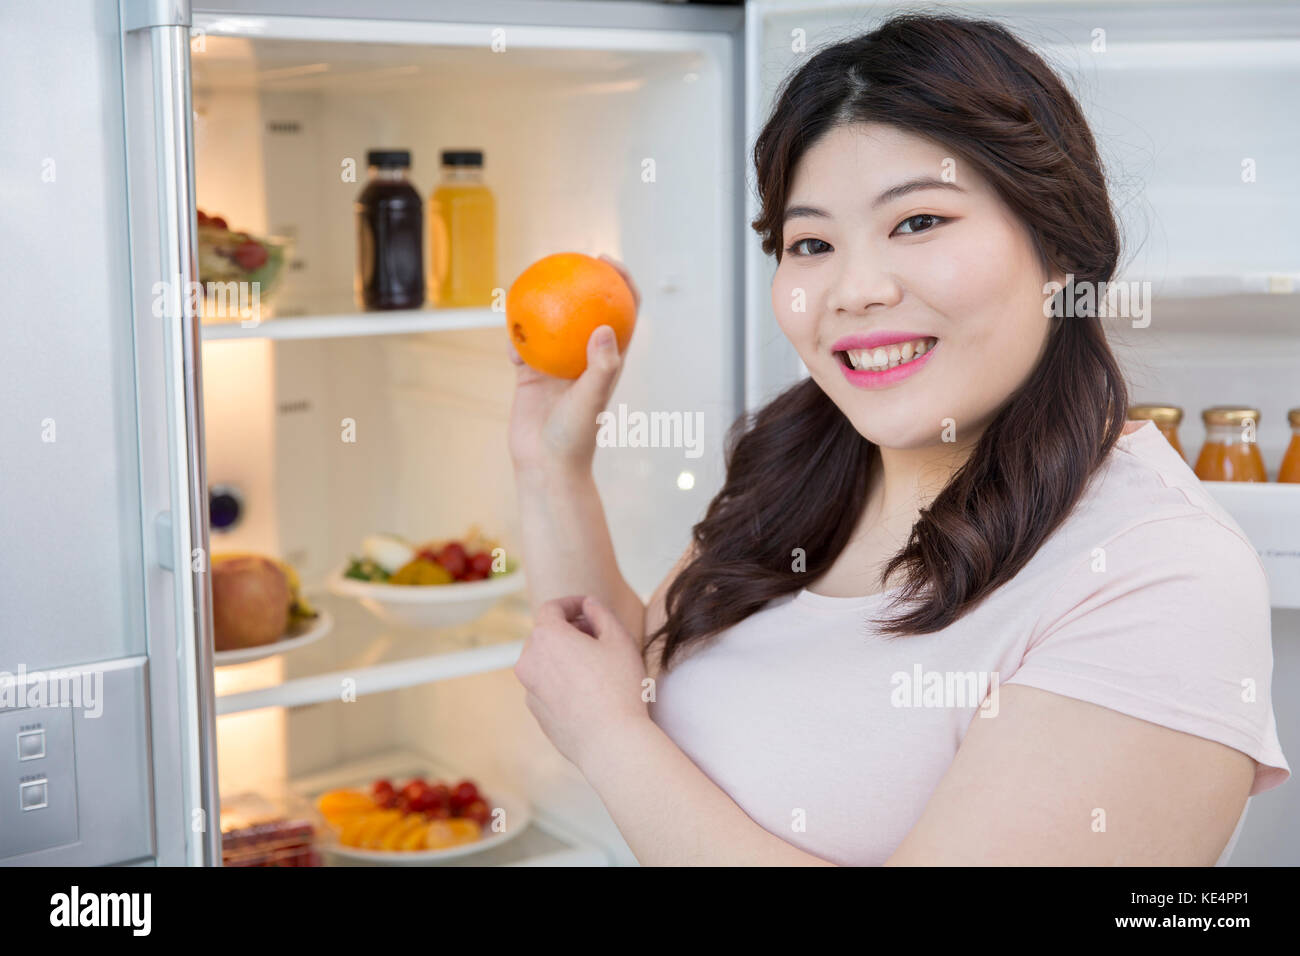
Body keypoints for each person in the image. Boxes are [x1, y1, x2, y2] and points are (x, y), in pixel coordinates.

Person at [507, 12, 1289, 865]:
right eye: (810, 243)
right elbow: (640, 678)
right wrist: (553, 466)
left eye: (918, 222)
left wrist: (609, 743)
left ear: (1059, 245)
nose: (855, 288)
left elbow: (619, 729)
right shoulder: (801, 463)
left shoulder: (1158, 572)